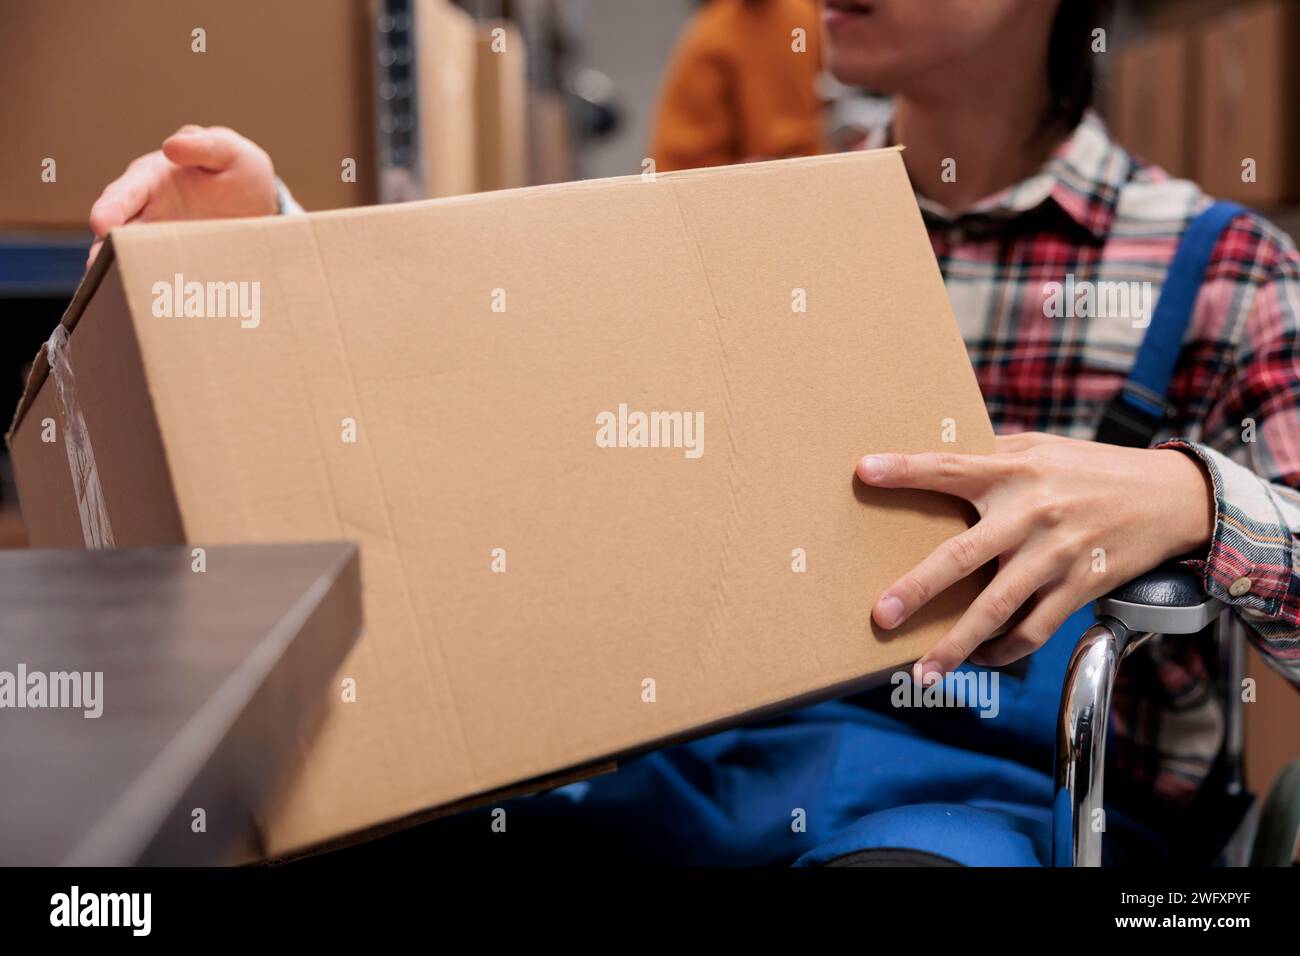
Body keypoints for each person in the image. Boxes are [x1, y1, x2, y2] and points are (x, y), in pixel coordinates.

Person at [88, 0, 1300, 865]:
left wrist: (1191, 498)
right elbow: (503, 419)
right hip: (705, 754)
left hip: (1010, 800)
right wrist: (272, 248)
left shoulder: (1219, 268)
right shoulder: (761, 223)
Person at [649, 0, 824, 171]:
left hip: (792, 179)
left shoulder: (715, 32)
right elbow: (686, 161)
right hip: (780, 182)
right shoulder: (717, 36)